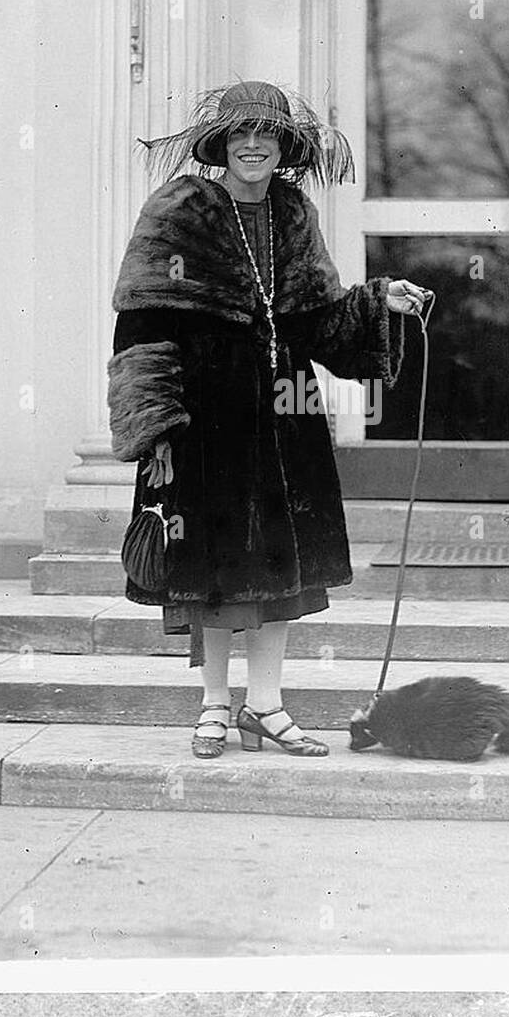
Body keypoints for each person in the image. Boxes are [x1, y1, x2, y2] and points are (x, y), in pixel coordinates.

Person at [107, 80, 429, 758]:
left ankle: (267, 707)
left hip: (285, 417)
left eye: (267, 134)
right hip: (201, 421)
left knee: (283, 572)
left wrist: (380, 302)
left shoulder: (293, 213)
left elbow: (320, 323)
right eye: (240, 134)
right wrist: (155, 427)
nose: (253, 145)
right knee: (213, 571)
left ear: (284, 146)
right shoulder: (180, 211)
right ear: (221, 144)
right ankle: (214, 708)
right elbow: (142, 324)